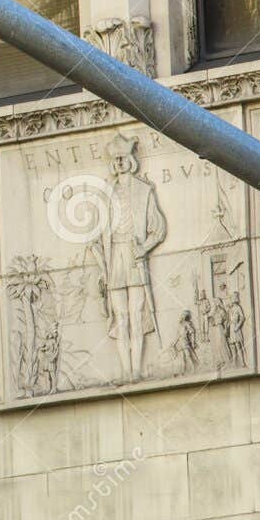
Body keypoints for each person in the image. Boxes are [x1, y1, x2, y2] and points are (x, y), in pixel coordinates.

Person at [96, 134, 167, 383]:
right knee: (121, 316)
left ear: (130, 160)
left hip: (134, 255)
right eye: (115, 159)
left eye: (122, 157)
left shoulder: (144, 190)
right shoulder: (105, 194)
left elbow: (158, 229)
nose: (118, 162)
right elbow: (97, 234)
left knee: (136, 315)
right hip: (114, 256)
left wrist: (144, 247)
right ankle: (126, 371)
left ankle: (136, 370)